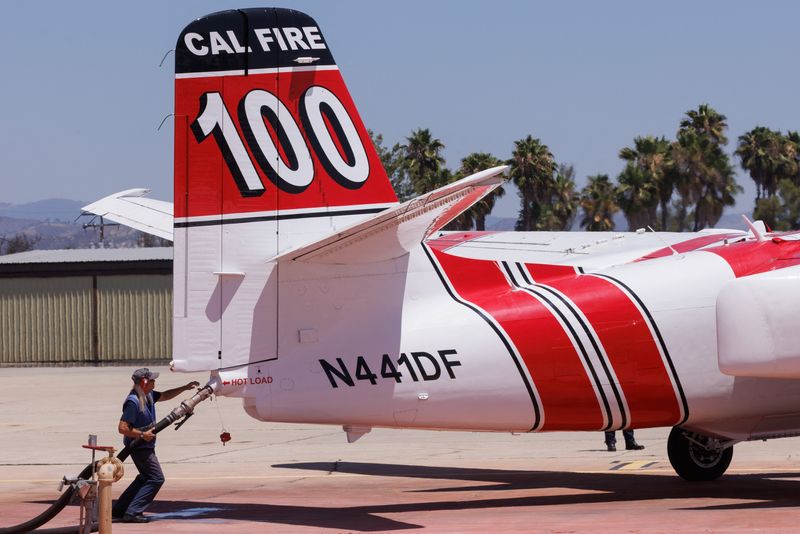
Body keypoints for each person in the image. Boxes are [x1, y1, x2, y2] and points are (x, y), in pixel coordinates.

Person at [112, 368, 199, 523]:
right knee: (156, 478)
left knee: (144, 478)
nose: (154, 382)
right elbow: (122, 428)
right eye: (152, 380)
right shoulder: (134, 402)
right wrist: (142, 434)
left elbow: (165, 395)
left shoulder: (148, 395)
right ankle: (132, 512)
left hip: (145, 444)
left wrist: (184, 387)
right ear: (144, 382)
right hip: (139, 446)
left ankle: (120, 509)